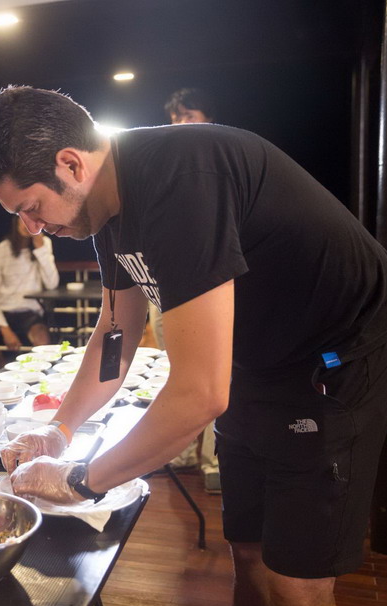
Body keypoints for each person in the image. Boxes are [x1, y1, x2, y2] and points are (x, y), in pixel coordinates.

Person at [0, 85, 387, 606]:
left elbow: (199, 395)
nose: (31, 227)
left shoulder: (181, 181)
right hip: (255, 357)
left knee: (297, 587)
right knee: (248, 550)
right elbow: (116, 333)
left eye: (30, 208)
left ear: (70, 164)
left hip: (334, 360)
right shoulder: (104, 208)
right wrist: (59, 429)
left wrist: (81, 481)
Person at [160, 87, 220, 492]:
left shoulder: (217, 162)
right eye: (175, 117)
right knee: (173, 370)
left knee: (210, 373)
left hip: (206, 286)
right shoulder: (165, 165)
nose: (180, 123)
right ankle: (179, 450)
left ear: (209, 119)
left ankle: (212, 459)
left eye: (189, 115)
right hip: (166, 285)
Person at [0, 216, 59, 369]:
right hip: (3, 310)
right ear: (16, 221)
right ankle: (5, 370)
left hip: (29, 311)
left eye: (33, 218)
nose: (28, 223)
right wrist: (5, 329)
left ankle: (33, 374)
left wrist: (40, 249)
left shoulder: (44, 244)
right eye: (23, 217)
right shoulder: (0, 251)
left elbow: (52, 283)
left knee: (43, 343)